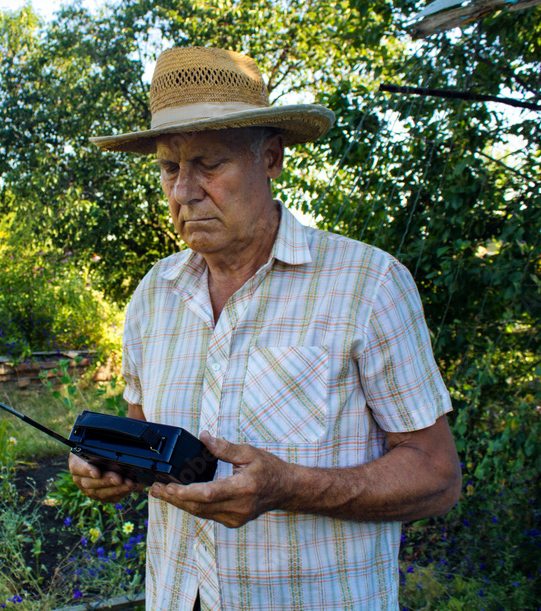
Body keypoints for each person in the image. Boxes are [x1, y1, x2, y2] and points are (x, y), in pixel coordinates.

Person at [70, 46, 461, 610]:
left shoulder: (367, 284)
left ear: (271, 157)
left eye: (209, 164)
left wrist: (289, 487)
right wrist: (106, 465)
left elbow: (437, 476)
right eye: (169, 167)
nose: (183, 190)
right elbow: (141, 431)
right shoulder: (155, 294)